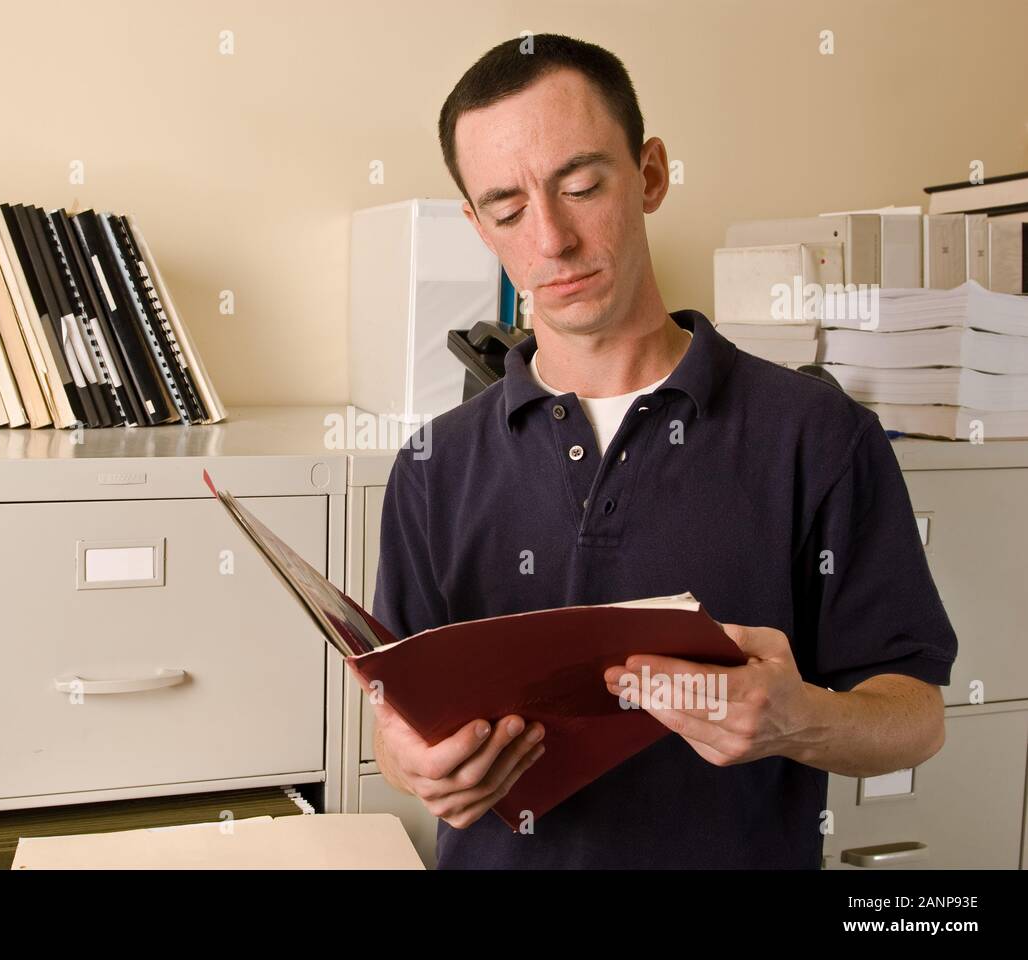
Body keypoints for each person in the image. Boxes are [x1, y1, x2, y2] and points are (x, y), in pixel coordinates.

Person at [370, 33, 957, 869]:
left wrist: (800, 718)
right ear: (477, 225)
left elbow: (916, 714)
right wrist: (418, 769)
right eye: (506, 210)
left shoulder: (817, 435)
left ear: (649, 174)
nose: (552, 239)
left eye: (580, 186)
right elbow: (398, 721)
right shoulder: (434, 464)